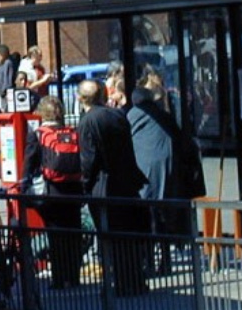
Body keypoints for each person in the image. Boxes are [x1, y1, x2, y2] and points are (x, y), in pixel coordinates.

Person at [76, 79, 152, 296]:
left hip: (104, 186)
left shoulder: (87, 121)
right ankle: (135, 281)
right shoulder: (118, 115)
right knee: (128, 236)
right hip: (126, 183)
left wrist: (85, 185)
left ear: (80, 98)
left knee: (109, 237)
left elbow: (88, 160)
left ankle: (119, 283)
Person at [127, 82, 191, 277]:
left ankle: (148, 260)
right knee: (162, 218)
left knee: (147, 219)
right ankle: (165, 259)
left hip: (143, 179)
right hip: (169, 178)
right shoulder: (164, 117)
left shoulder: (131, 116)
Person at [25, 95, 87, 289]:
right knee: (73, 233)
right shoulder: (72, 132)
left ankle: (60, 278)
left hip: (51, 192)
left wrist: (23, 184)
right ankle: (74, 276)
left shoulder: (38, 134)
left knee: (55, 234)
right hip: (74, 191)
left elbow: (29, 162)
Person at [0, 44, 15, 112]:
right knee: (1, 107)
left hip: (3, 91)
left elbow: (7, 78)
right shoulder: (2, 64)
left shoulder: (8, 63)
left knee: (3, 108)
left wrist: (4, 90)